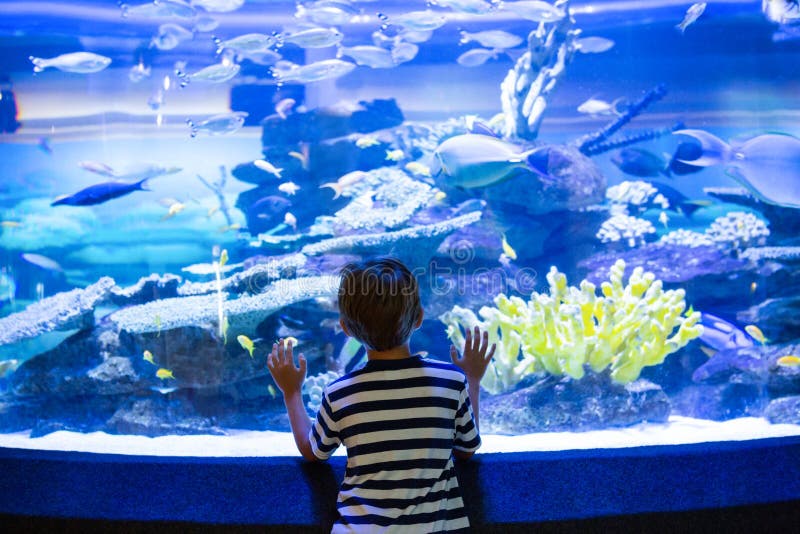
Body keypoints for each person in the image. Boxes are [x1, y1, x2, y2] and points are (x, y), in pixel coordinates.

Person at [267, 257, 495, 533]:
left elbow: (313, 451)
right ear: (420, 317)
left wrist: (291, 392)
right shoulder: (451, 382)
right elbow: (467, 449)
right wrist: (472, 378)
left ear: (346, 328)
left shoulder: (340, 393)